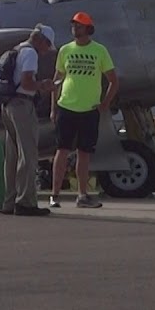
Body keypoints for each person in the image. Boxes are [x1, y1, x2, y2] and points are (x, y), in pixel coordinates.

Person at [49, 12, 117, 210]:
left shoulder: (100, 51)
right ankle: (55, 194)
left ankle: (82, 194)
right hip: (66, 106)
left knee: (84, 152)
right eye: (73, 25)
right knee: (62, 150)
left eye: (79, 26)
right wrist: (53, 107)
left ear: (88, 28)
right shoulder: (65, 50)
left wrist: (105, 103)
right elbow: (57, 81)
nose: (75, 29)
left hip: (89, 109)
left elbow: (113, 80)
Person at [0, 25, 56, 216]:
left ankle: (9, 201)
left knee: (13, 155)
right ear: (40, 40)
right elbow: (26, 82)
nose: (47, 50)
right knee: (29, 153)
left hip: (7, 105)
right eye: (48, 45)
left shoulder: (18, 49)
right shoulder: (31, 54)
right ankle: (26, 202)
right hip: (22, 105)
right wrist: (43, 86)